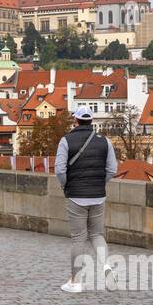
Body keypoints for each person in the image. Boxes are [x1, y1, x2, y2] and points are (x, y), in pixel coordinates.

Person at [55, 108, 117, 293]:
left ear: (75, 120)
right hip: (98, 196)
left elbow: (59, 170)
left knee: (78, 238)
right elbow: (112, 169)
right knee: (97, 235)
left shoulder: (66, 140)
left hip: (76, 196)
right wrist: (100, 183)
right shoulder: (105, 141)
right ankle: (106, 267)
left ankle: (75, 281)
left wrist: (65, 185)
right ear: (91, 121)